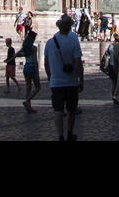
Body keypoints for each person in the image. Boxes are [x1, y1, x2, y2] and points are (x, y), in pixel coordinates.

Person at [44, 14, 84, 142]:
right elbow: (78, 63)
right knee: (71, 110)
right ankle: (70, 133)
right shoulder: (73, 41)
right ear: (69, 27)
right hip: (71, 82)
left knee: (58, 110)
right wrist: (81, 80)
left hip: (56, 82)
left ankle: (60, 136)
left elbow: (46, 63)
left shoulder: (50, 42)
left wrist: (50, 77)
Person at [20, 25, 41, 112]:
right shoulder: (34, 48)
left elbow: (17, 54)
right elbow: (35, 60)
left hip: (26, 67)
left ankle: (28, 106)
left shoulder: (25, 47)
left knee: (28, 87)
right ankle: (27, 100)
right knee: (38, 87)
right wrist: (37, 71)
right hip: (32, 66)